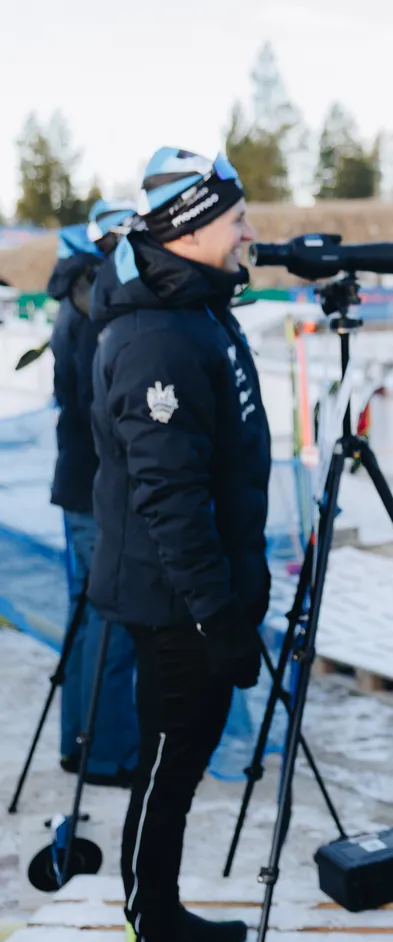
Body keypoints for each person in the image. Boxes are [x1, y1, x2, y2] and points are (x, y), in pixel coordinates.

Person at [89, 147, 267, 942]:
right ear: (192, 228)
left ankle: (160, 907)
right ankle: (151, 923)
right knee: (167, 765)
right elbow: (170, 496)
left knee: (184, 757)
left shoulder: (195, 305)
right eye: (234, 219)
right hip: (173, 601)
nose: (247, 231)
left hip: (198, 591)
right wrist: (215, 614)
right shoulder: (154, 335)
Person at [48, 200, 140, 786]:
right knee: (112, 620)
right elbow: (99, 403)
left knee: (87, 617)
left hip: (79, 484)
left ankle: (78, 745)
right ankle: (104, 755)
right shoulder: (91, 299)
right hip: (94, 489)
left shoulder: (75, 296)